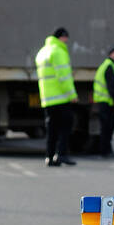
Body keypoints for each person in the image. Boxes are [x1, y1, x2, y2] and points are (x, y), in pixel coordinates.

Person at [35, 27, 78, 166]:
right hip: (60, 97)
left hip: (47, 99)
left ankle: (49, 156)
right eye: (66, 38)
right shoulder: (58, 52)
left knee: (51, 128)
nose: (67, 41)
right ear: (61, 37)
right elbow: (64, 76)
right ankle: (61, 155)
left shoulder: (42, 52)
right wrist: (72, 94)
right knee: (65, 127)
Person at [91, 46, 114, 157]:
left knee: (107, 127)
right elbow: (112, 87)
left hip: (105, 101)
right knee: (107, 127)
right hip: (106, 102)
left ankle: (106, 149)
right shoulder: (109, 66)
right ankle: (105, 150)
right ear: (111, 54)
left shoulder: (110, 65)